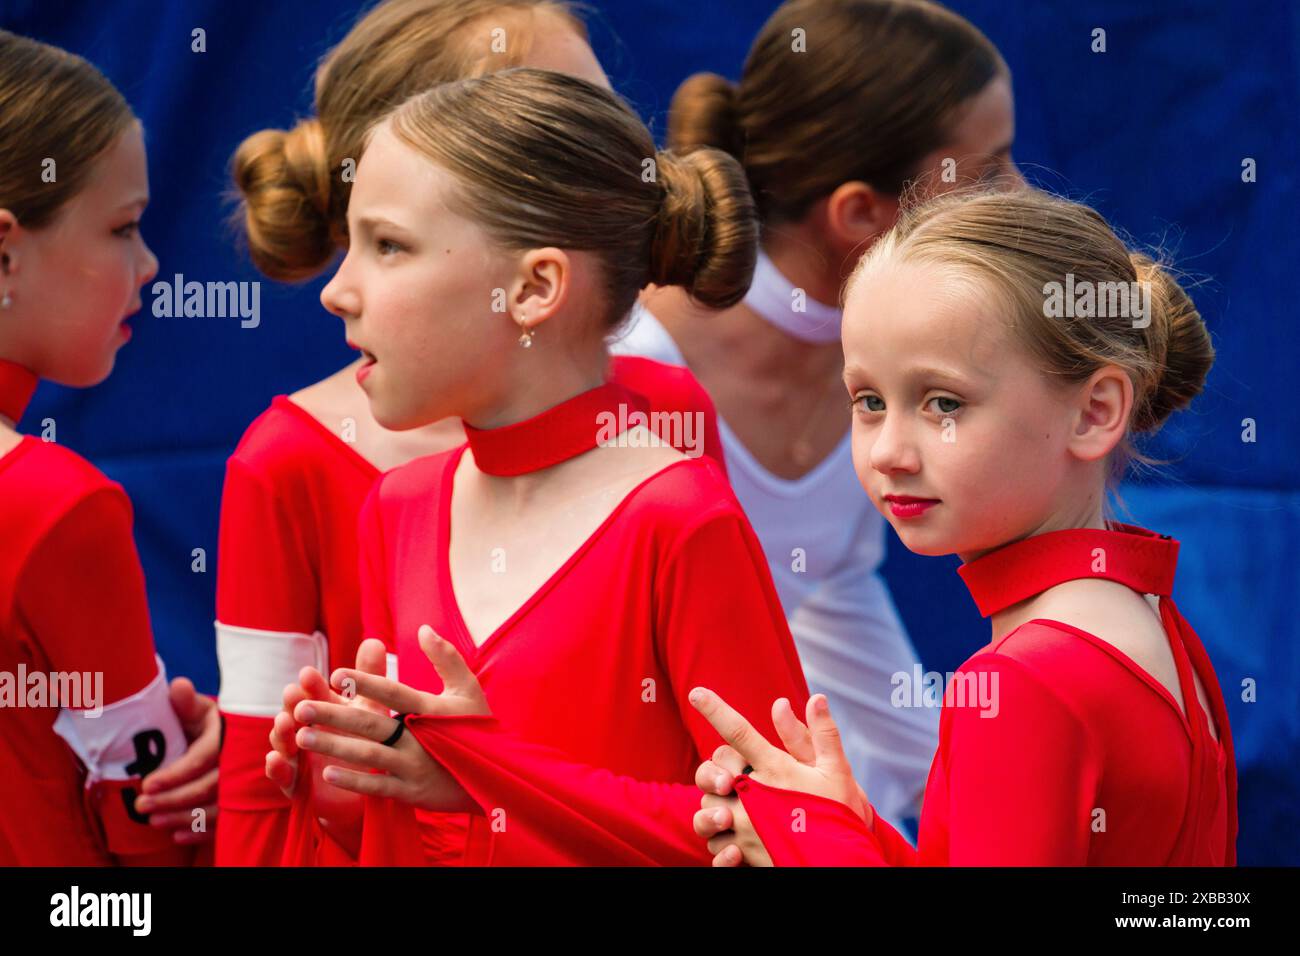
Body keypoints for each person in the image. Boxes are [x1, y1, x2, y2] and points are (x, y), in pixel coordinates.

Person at [219, 0, 723, 866]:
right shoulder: (308, 468)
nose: (623, 154)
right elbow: (261, 799)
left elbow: (745, 797)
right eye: (557, 111)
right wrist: (340, 784)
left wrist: (477, 777)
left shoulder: (668, 426)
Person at [689, 186, 1236, 866]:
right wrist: (840, 822)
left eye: (943, 402)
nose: (889, 449)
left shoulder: (1023, 685)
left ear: (1094, 412)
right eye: (868, 400)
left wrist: (813, 852)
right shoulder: (1150, 622)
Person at [611, 0, 1021, 830]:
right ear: (860, 215)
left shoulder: (881, 383)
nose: (1019, 198)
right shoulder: (621, 377)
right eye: (987, 176)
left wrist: (961, 812)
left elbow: (830, 590)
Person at [0, 30, 221, 865]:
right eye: (123, 228)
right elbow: (151, 832)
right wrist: (231, 781)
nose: (152, 264)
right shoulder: (50, 503)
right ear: (5, 250)